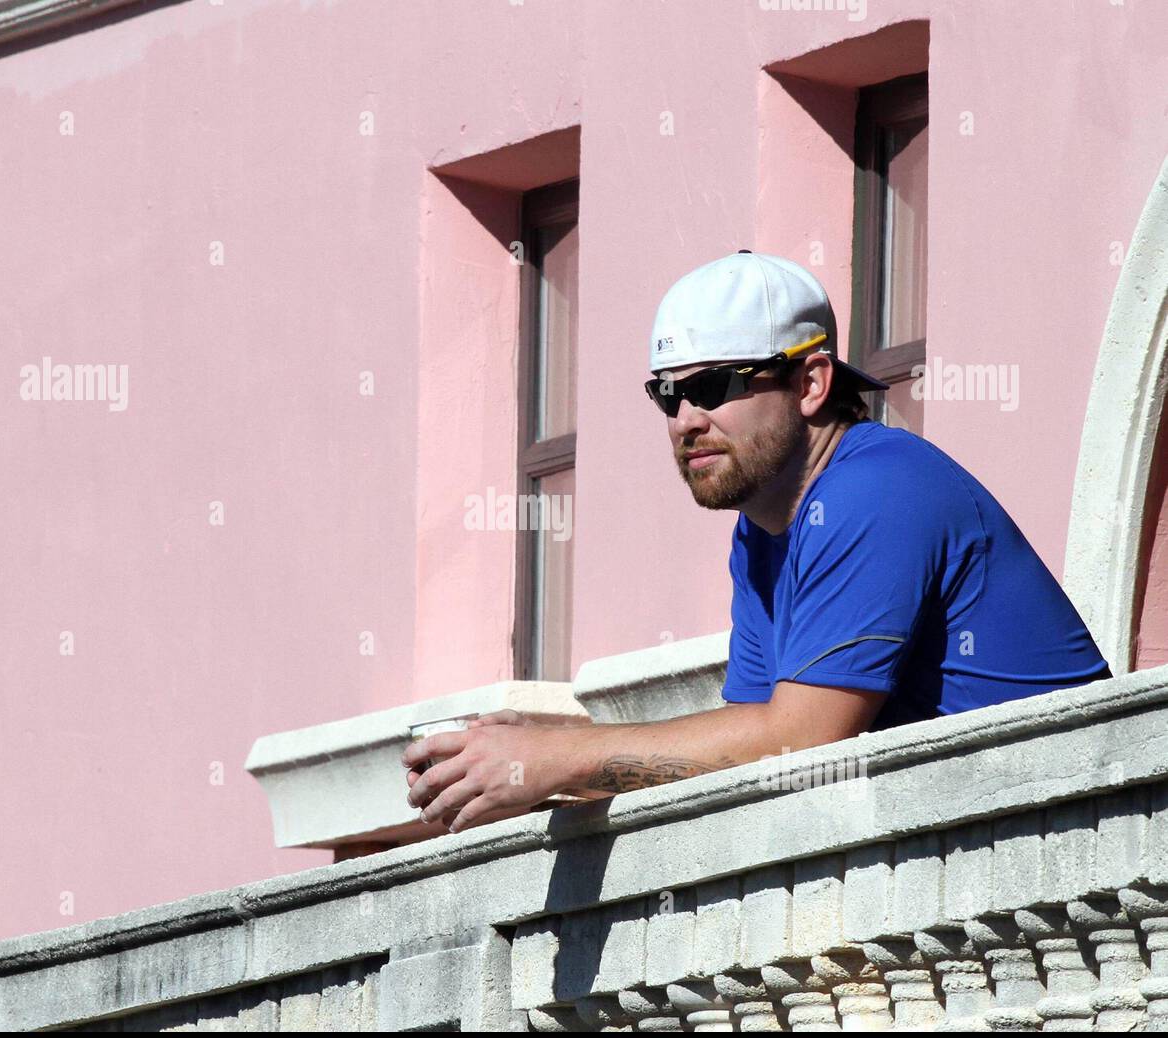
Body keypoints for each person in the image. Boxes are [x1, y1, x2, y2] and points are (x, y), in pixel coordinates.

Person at [405, 251, 1110, 833]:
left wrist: (560, 758)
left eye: (714, 385)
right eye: (667, 395)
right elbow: (751, 738)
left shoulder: (875, 490)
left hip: (1077, 841)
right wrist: (528, 763)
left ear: (809, 382)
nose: (686, 419)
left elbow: (801, 740)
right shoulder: (762, 529)